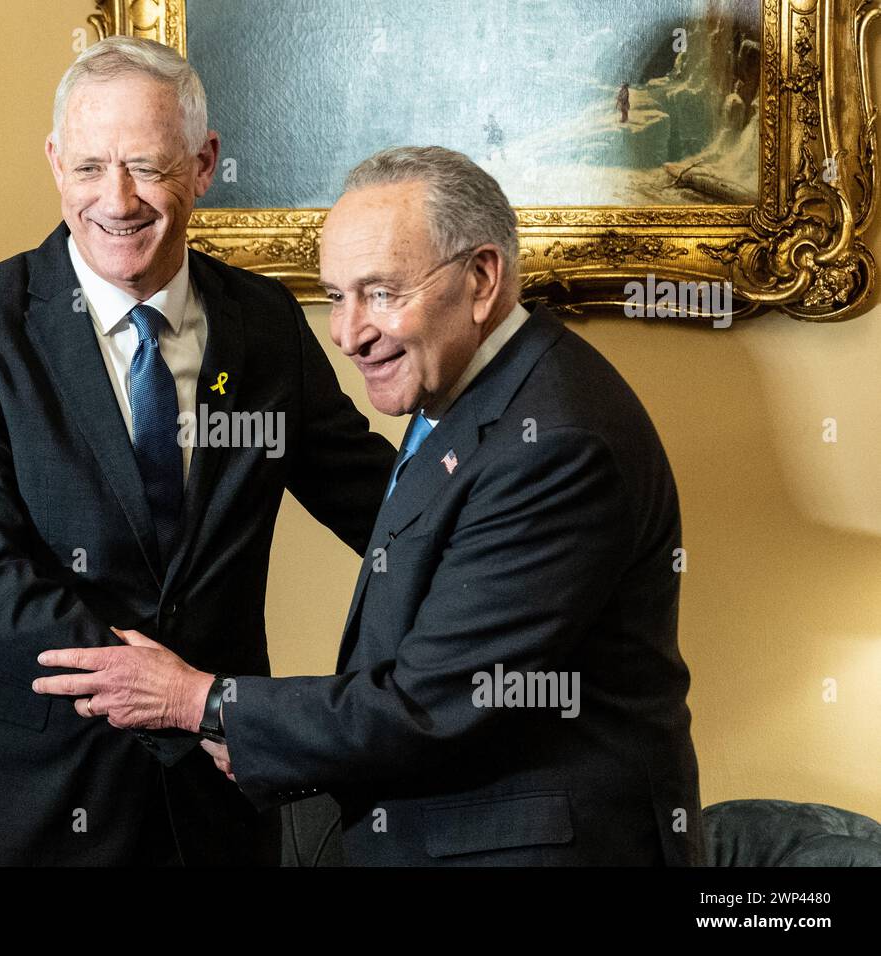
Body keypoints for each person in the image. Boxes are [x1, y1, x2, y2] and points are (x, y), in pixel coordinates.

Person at [35, 146, 706, 866]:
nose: (348, 333)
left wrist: (204, 702)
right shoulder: (467, 391)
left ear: (482, 278)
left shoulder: (555, 443)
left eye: (382, 293)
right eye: (337, 295)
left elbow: (430, 706)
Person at [0, 36, 394, 866]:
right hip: (26, 801)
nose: (116, 198)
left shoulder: (266, 323)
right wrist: (171, 704)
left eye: (146, 167)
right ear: (55, 164)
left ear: (203, 164)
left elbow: (381, 506)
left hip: (216, 809)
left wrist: (508, 537)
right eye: (89, 166)